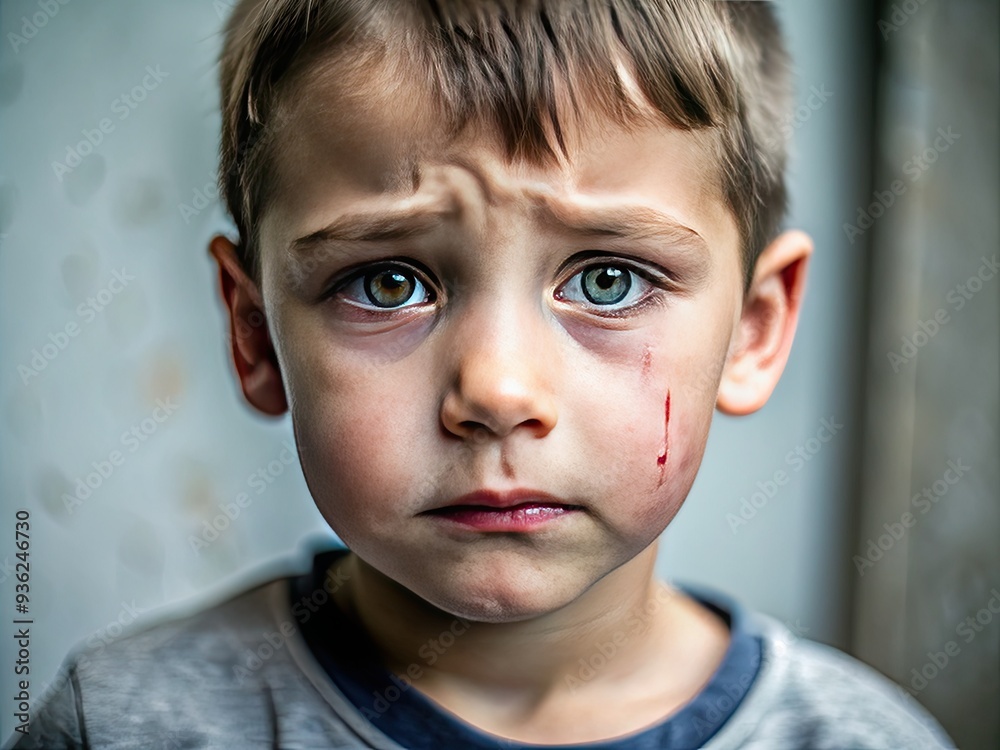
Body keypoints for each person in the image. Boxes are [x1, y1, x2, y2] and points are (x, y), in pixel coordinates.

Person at [6, 1, 955, 748]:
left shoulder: (863, 741)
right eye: (388, 281)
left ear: (753, 328)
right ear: (255, 334)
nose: (498, 391)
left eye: (608, 279)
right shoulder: (126, 725)